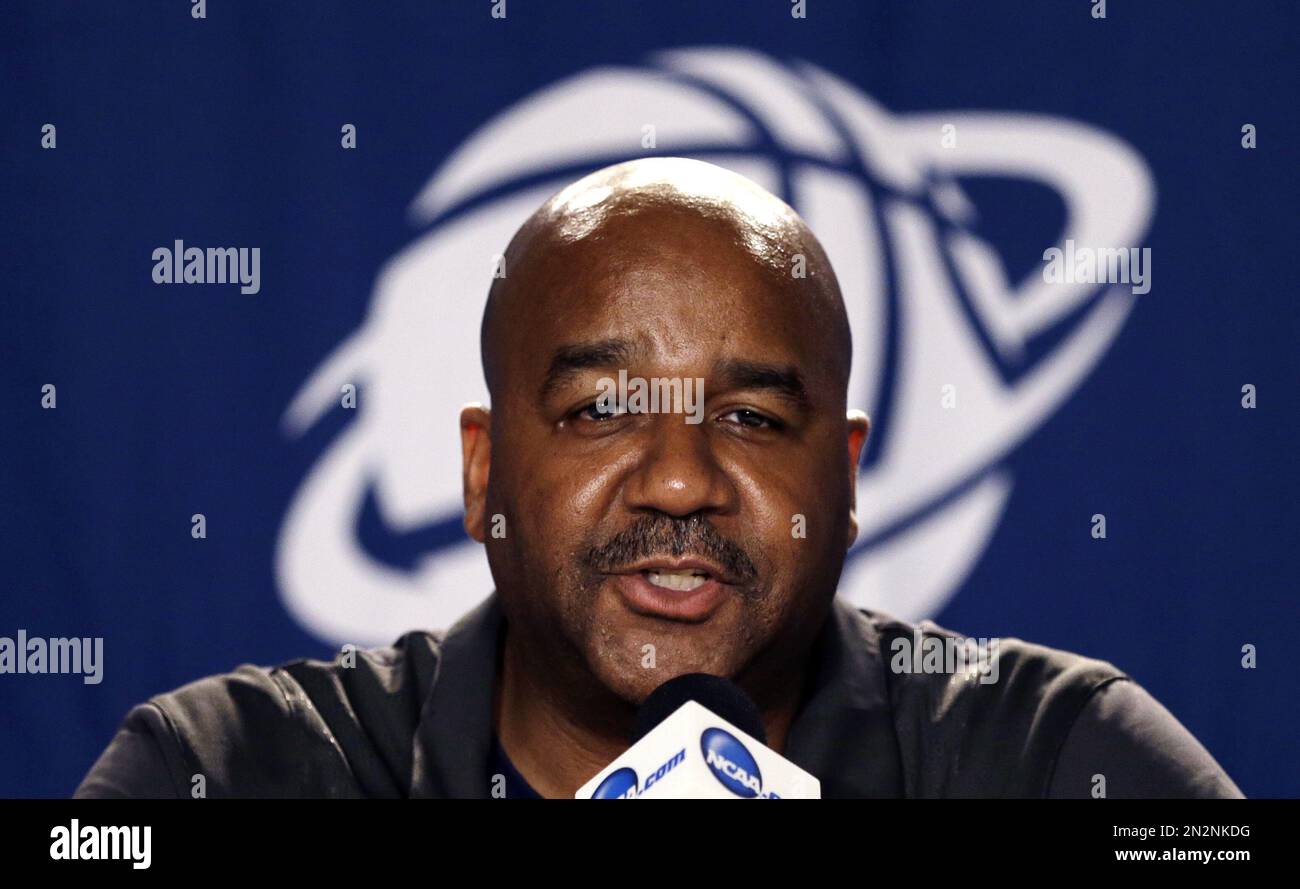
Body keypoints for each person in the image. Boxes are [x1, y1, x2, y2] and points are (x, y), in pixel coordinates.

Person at [76, 158, 1242, 799]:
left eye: (746, 415)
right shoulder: (227, 770)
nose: (679, 483)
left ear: (842, 479)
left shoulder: (1056, 757)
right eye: (599, 413)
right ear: (482, 469)